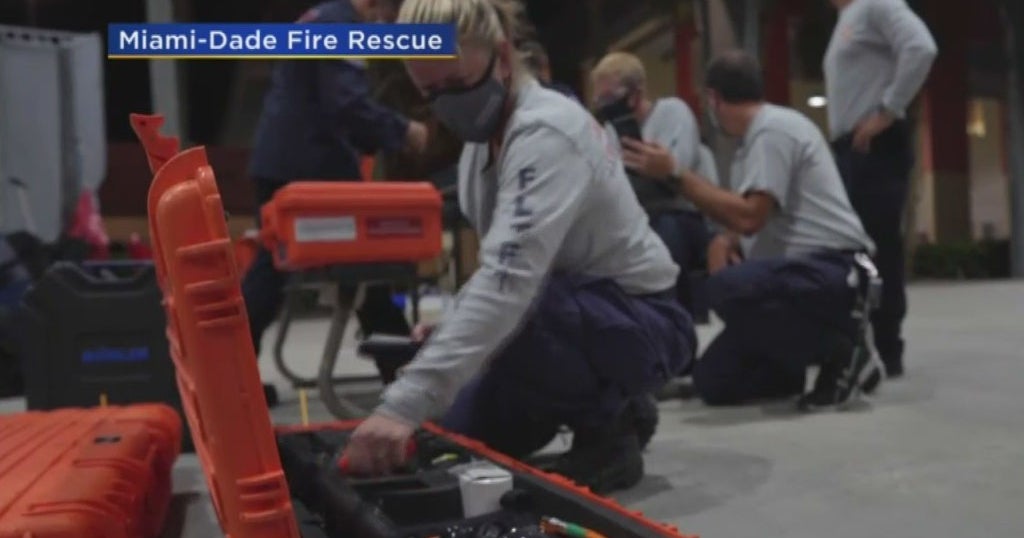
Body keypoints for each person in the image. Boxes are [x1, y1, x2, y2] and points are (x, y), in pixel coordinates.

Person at [342, 0, 695, 494]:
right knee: (452, 437)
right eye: (431, 93)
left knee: (511, 315)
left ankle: (609, 433)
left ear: (503, 58)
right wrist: (449, 330)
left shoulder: (546, 131)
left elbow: (509, 281)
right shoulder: (479, 145)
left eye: (457, 84)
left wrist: (403, 403)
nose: (447, 105)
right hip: (562, 310)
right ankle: (614, 401)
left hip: (641, 317)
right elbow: (504, 265)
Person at [671, 50, 880, 408]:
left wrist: (675, 175)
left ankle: (845, 351)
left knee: (724, 288)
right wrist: (728, 239)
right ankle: (790, 365)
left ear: (713, 99)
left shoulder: (772, 130)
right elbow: (758, 219)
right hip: (800, 277)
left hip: (834, 272)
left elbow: (751, 215)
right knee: (713, 381)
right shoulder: (754, 142)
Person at [243, 0, 429, 367]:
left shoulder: (320, 16)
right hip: (307, 168)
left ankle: (232, 374)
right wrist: (405, 130)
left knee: (272, 267)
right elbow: (346, 103)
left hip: (283, 160)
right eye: (390, 16)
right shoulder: (342, 26)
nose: (389, 27)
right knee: (370, 261)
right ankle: (402, 371)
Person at [825, 0, 937, 379]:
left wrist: (887, 111)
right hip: (851, 148)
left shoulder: (876, 4)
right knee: (854, 250)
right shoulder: (846, 19)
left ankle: (887, 346)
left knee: (878, 248)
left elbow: (921, 47)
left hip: (874, 146)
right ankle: (861, 343)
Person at [589, 52, 711, 312]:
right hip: (639, 217)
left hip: (682, 216)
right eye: (600, 99)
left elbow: (678, 173)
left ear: (635, 93)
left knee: (665, 229)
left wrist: (655, 168)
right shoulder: (609, 131)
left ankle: (673, 311)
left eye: (609, 98)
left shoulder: (672, 112)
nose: (604, 105)